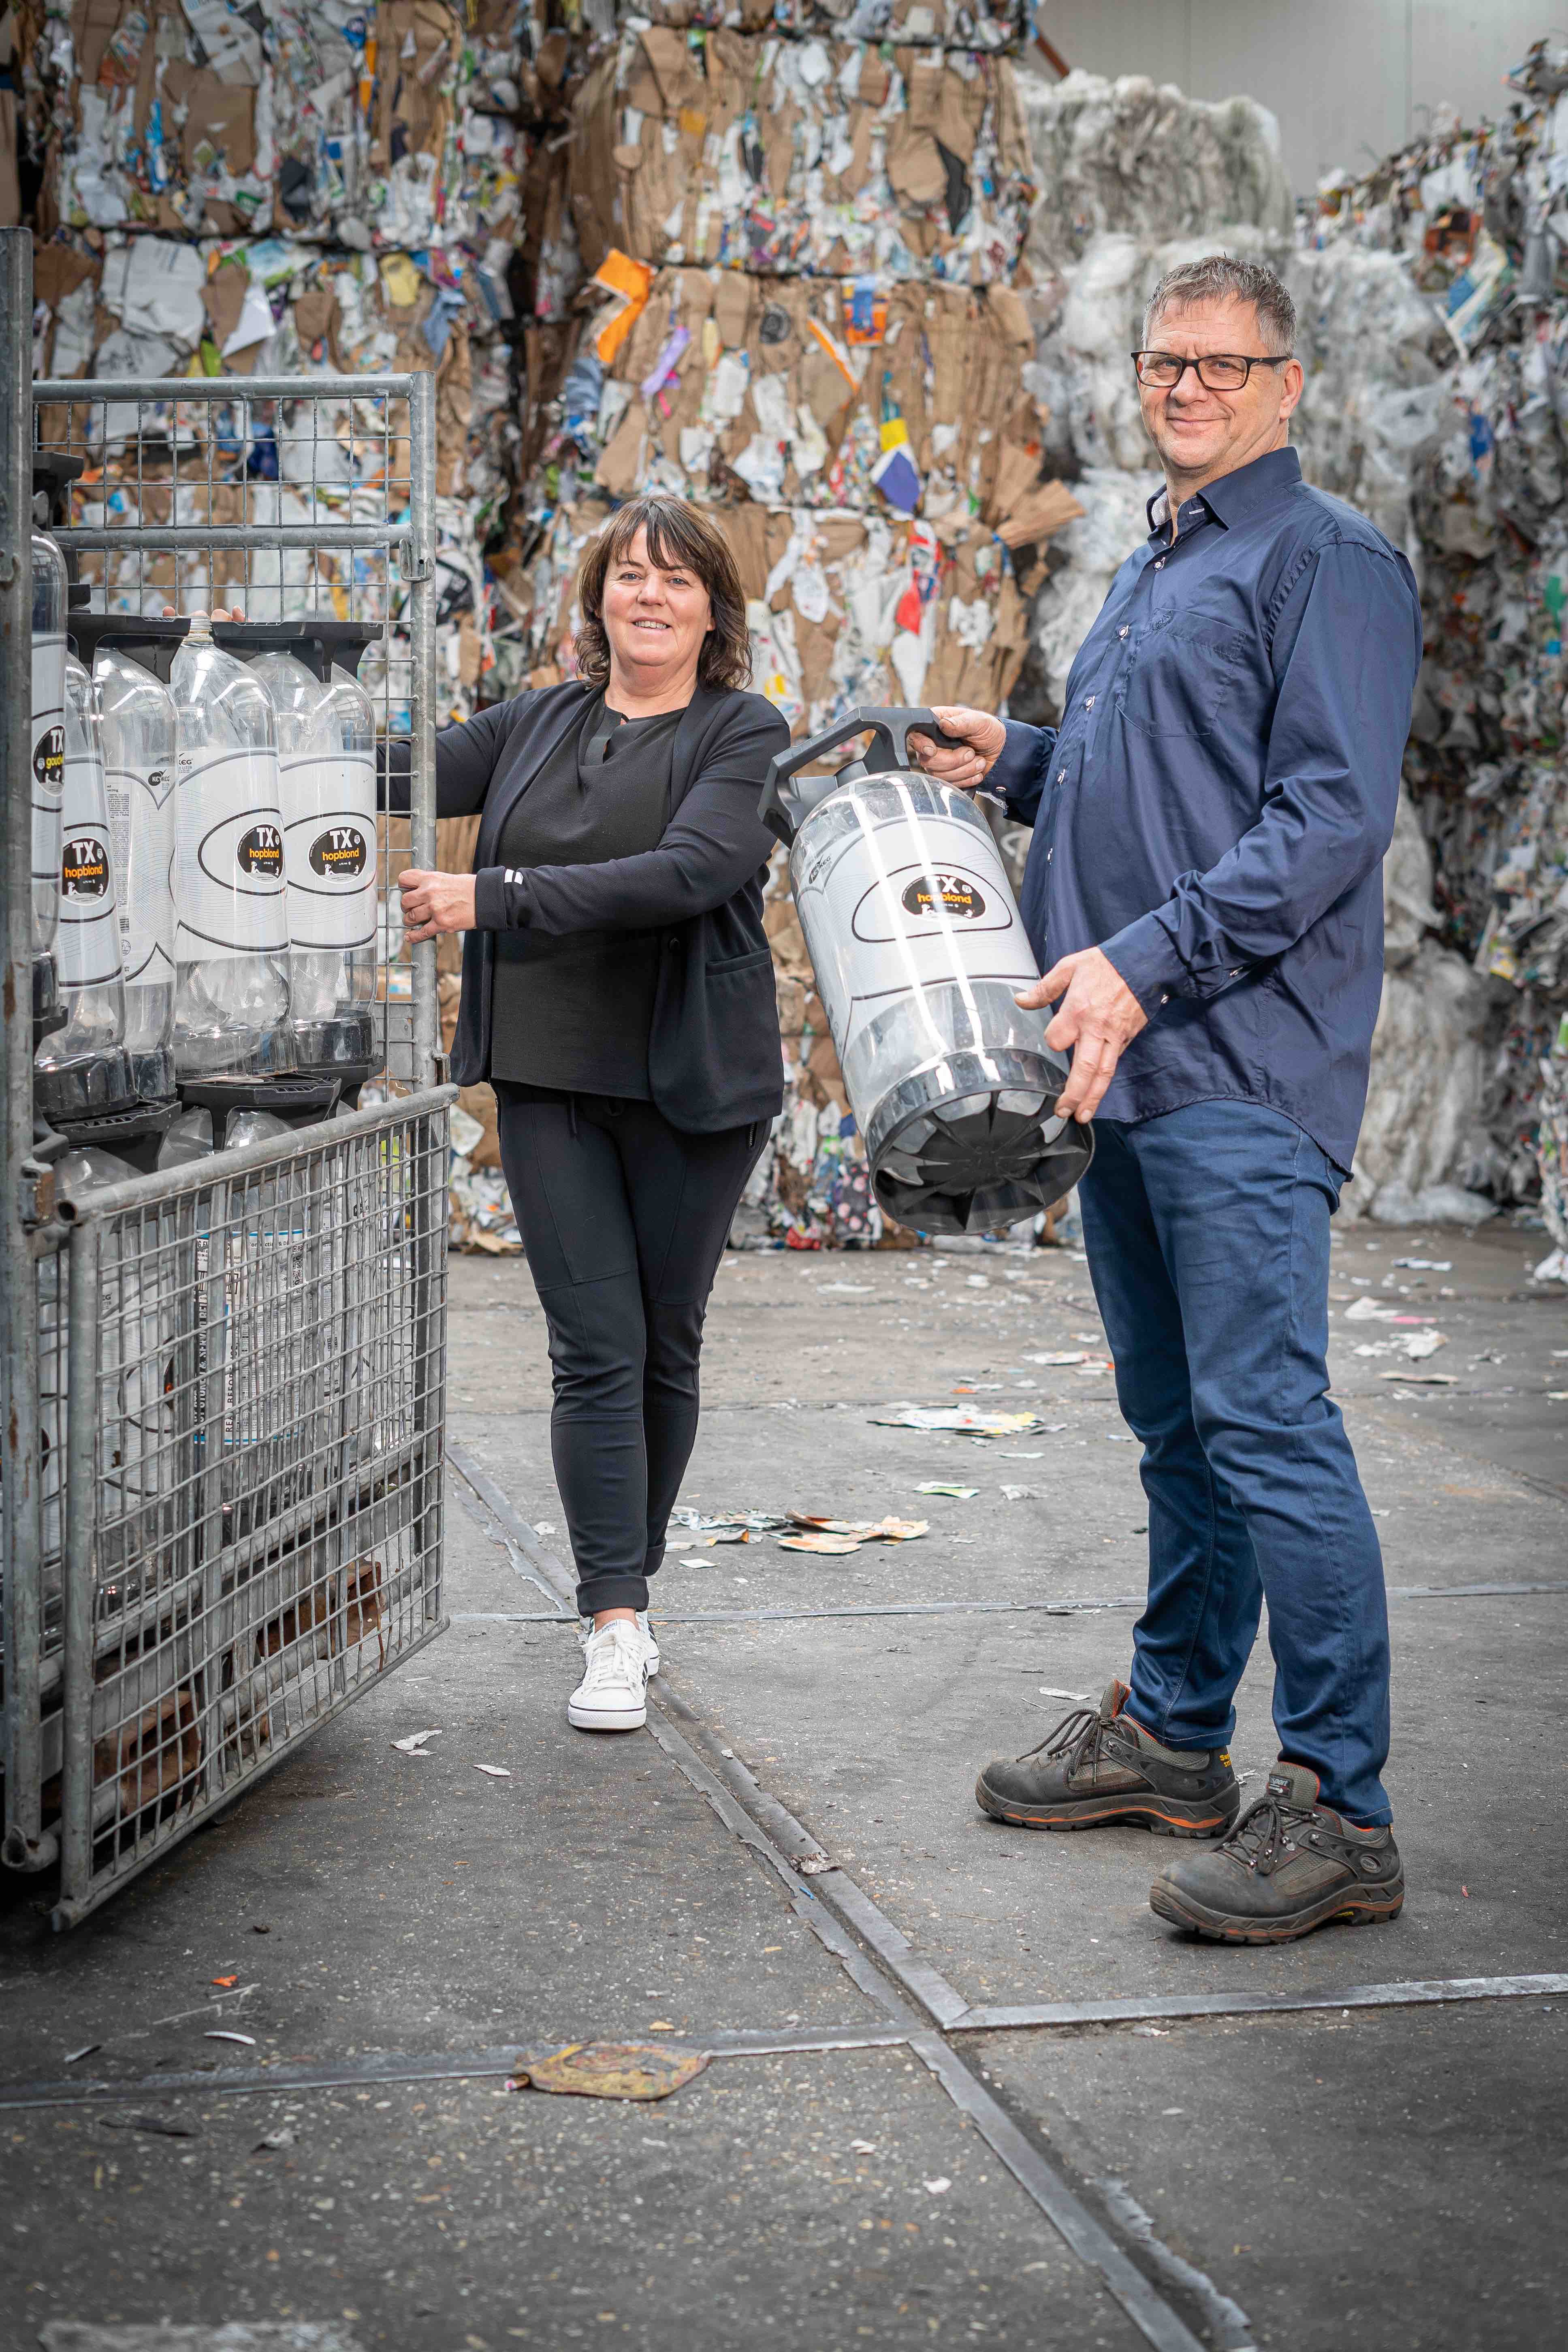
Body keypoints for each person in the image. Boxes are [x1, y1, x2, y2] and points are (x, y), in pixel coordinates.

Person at [910, 254, 1423, 1946]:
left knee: (1265, 1422)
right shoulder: (1158, 560)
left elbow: (1327, 820)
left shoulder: (1324, 560)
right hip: (1119, 1068)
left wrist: (1142, 962)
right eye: (1163, 363)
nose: (1186, 387)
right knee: (1178, 1427)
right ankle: (1175, 1735)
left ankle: (1340, 1807)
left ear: (1287, 384)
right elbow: (1158, 789)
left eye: (1221, 364)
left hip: (1238, 1066)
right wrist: (1022, 760)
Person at [388, 496, 787, 1734]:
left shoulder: (741, 732)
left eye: (676, 579)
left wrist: (494, 893)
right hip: (548, 1075)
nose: (649, 596)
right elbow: (394, 771)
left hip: (692, 1084)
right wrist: (298, 691)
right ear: (599, 597)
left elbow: (690, 872)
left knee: (666, 1345)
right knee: (597, 1347)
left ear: (713, 610)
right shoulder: (534, 722)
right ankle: (613, 1619)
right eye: (629, 575)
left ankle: (632, 1583)